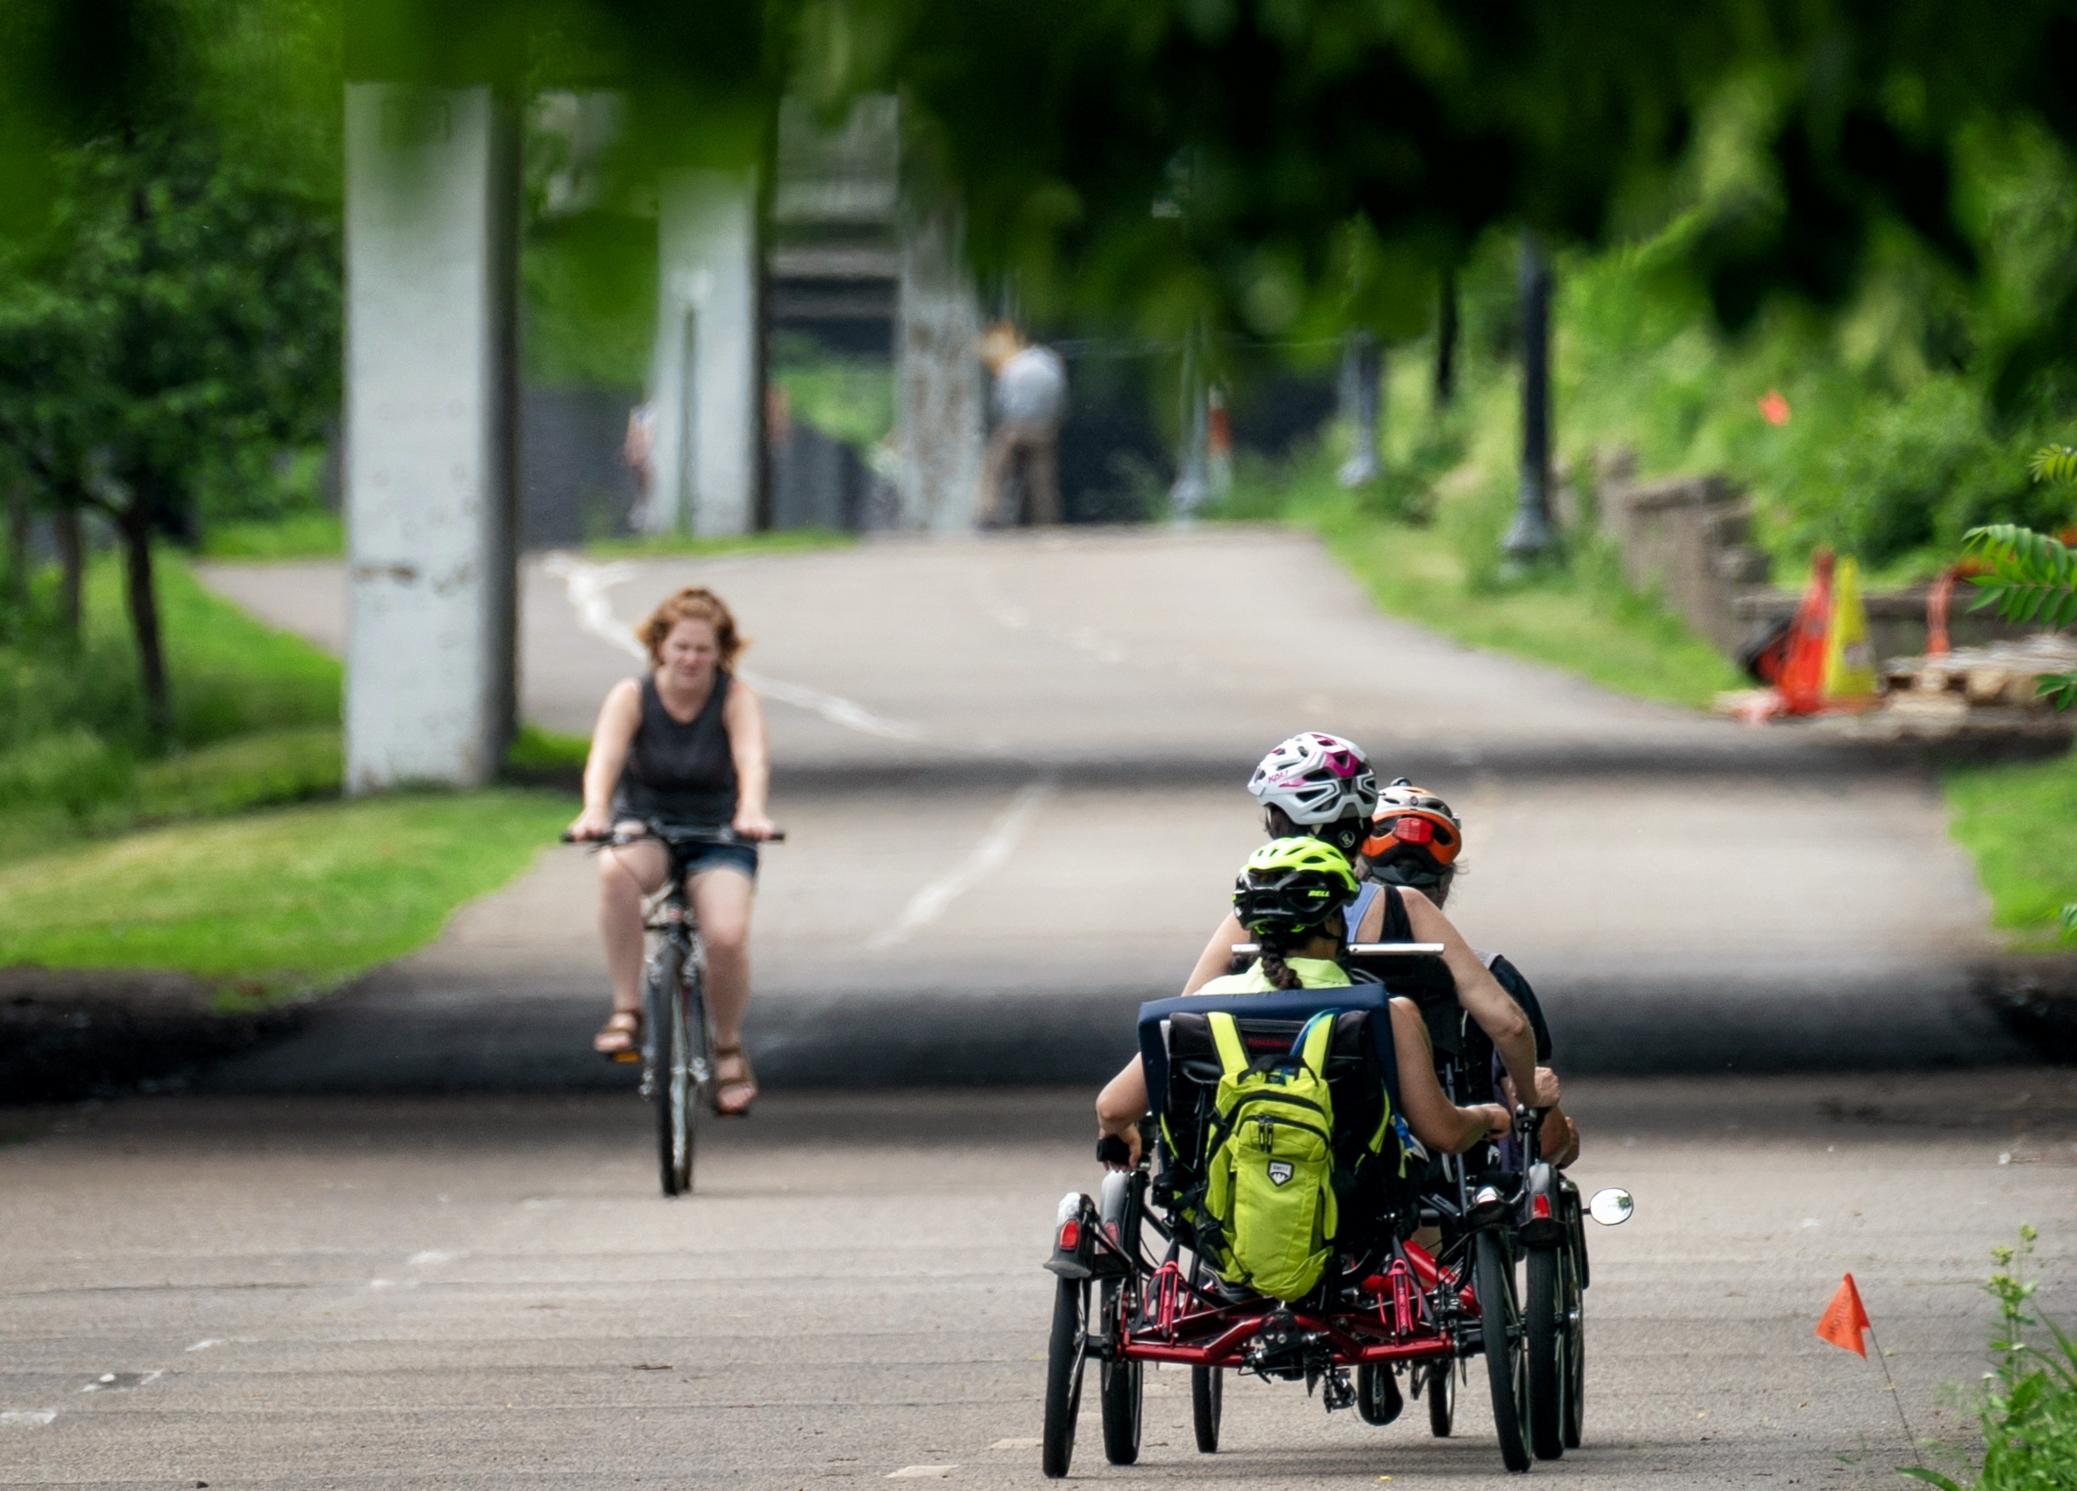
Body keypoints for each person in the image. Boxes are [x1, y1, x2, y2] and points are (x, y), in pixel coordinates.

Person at [1179, 733, 1560, 1114]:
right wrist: (1529, 1096)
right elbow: (1508, 1025)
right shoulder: (1406, 907)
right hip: (1387, 1124)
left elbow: (1178, 1024)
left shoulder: (1249, 914)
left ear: (1277, 823)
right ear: (1361, 826)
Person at [1095, 838, 1512, 1166]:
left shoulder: (1199, 1009)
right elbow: (1443, 1133)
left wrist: (1122, 1131)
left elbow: (1112, 1109)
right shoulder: (1388, 1014)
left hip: (1226, 1222)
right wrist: (1486, 1117)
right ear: (1333, 921)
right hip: (1349, 1218)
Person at [567, 585, 776, 1116]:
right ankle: (627, 1010)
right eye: (681, 646)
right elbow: (604, 759)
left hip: (718, 832)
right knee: (616, 872)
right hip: (650, 824)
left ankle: (726, 1049)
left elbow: (751, 759)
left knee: (724, 937)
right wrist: (595, 811)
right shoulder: (632, 696)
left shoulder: (736, 697)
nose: (690, 659)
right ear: (659, 645)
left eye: (703, 649)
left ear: (721, 652)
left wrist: (751, 810)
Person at [1359, 779, 1579, 1166]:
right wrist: (1541, 1106)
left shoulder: (1296, 974)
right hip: (1457, 1169)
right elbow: (1546, 1143)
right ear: (1444, 886)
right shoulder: (1492, 977)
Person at [978, 321, 1067, 527]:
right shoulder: (1050, 361)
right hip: (1045, 429)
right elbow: (1060, 402)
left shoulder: (1012, 367)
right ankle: (1046, 520)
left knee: (994, 468)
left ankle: (989, 513)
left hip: (1016, 428)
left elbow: (1003, 406)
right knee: (1042, 477)